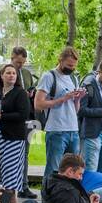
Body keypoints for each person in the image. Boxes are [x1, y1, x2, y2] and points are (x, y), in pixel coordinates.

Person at [35, 47, 86, 184]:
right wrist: (62, 99)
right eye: (69, 65)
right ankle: (48, 198)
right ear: (61, 60)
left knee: (74, 169)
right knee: (54, 168)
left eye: (74, 66)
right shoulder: (49, 76)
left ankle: (69, 196)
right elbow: (38, 104)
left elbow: (75, 109)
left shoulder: (73, 79)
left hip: (73, 129)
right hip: (56, 129)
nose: (72, 68)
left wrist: (77, 98)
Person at [0, 63, 33, 198]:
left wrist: (2, 116)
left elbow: (23, 114)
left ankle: (10, 197)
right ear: (2, 75)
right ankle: (5, 199)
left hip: (13, 138)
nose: (11, 75)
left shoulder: (20, 93)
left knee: (10, 169)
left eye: (13, 73)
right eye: (8, 73)